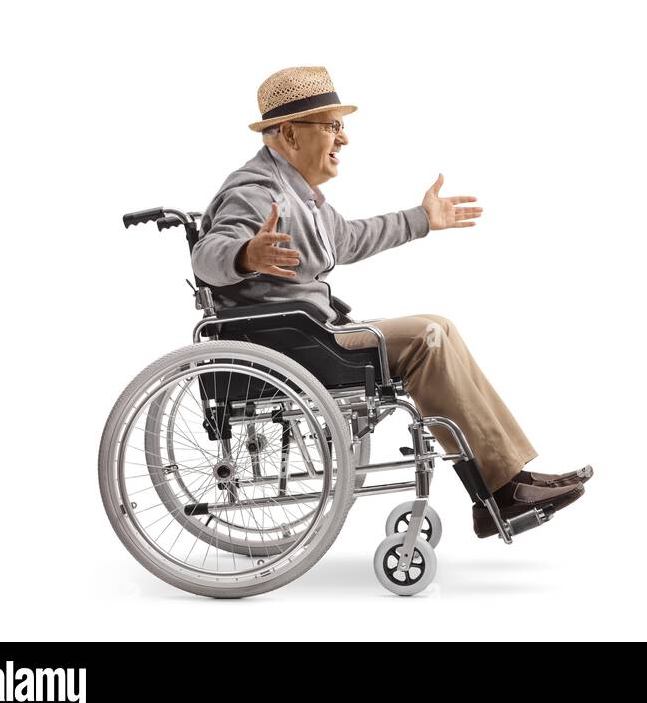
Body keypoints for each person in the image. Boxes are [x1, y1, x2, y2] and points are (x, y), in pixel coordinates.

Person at [190, 65, 592, 538]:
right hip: (290, 345)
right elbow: (206, 258)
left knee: (437, 324)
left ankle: (503, 484)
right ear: (290, 133)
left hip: (310, 335)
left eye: (343, 126)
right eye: (332, 126)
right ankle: (500, 490)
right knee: (426, 337)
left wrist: (422, 219)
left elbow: (350, 239)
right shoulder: (256, 192)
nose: (344, 139)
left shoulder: (301, 196)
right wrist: (245, 253)